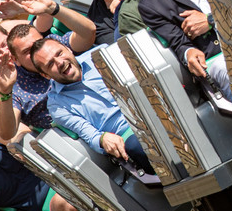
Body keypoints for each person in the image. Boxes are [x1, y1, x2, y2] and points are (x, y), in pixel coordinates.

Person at [30, 36, 160, 178]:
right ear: (45, 75)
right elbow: (91, 135)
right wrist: (102, 139)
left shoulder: (102, 54)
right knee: (140, 145)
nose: (60, 62)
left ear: (68, 49)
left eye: (59, 53)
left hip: (154, 110)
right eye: (50, 64)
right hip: (129, 135)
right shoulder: (57, 106)